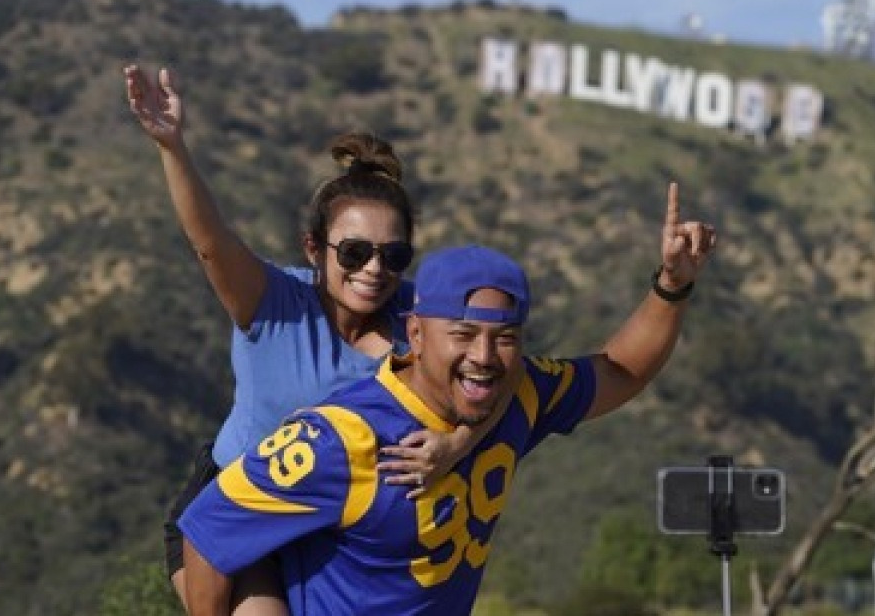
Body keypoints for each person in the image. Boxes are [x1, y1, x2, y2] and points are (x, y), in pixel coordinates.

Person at [179, 184, 718, 615]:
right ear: (414, 336)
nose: (484, 356)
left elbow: (619, 372)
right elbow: (207, 533)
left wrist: (672, 285)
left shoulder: (522, 391)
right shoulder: (342, 437)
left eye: (504, 337)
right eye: (462, 334)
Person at [123, 64, 495, 614]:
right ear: (313, 249)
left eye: (393, 256)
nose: (374, 269)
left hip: (340, 529)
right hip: (234, 516)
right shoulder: (272, 302)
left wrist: (458, 444)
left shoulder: (418, 322)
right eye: (353, 252)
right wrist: (172, 146)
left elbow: (503, 372)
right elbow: (208, 240)